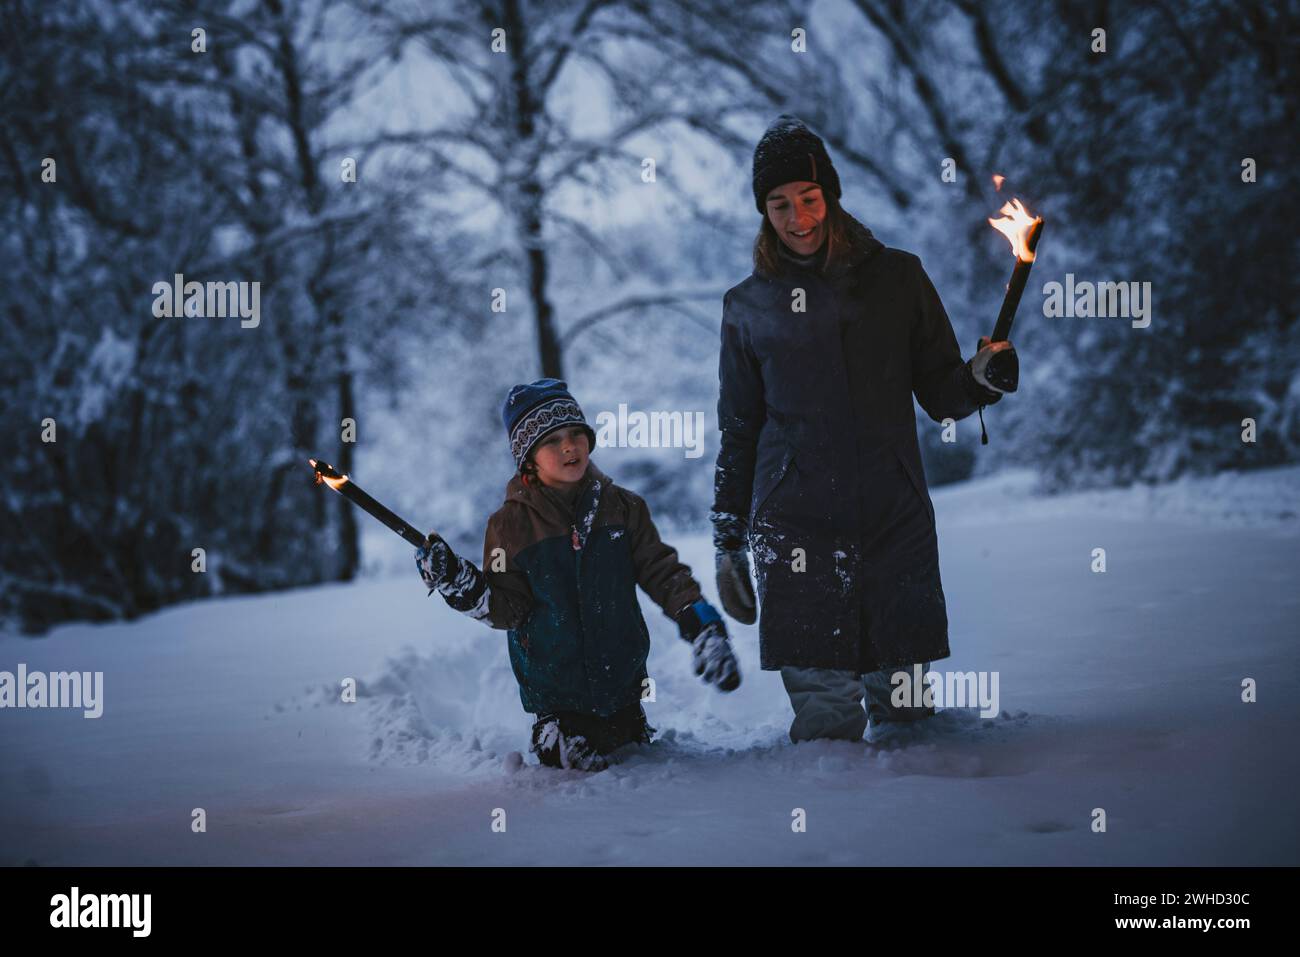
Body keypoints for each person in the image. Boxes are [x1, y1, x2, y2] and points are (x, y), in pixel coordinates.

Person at [711, 114, 1019, 745]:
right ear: (762, 211)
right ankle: (826, 844)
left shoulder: (897, 279)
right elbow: (738, 429)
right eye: (779, 204)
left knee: (908, 720)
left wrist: (981, 379)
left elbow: (940, 392)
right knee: (827, 729)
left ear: (832, 195)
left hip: (891, 515)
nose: (798, 217)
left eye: (809, 198)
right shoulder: (748, 306)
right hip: (793, 525)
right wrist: (727, 541)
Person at [416, 378, 741, 771]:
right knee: (577, 760)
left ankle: (620, 723)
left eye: (576, 434)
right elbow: (508, 607)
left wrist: (700, 621)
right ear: (528, 458)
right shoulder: (508, 527)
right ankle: (554, 734)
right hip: (557, 694)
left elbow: (661, 570)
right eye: (552, 441)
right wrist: (461, 584)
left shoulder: (624, 508)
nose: (569, 446)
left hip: (623, 688)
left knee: (630, 753)